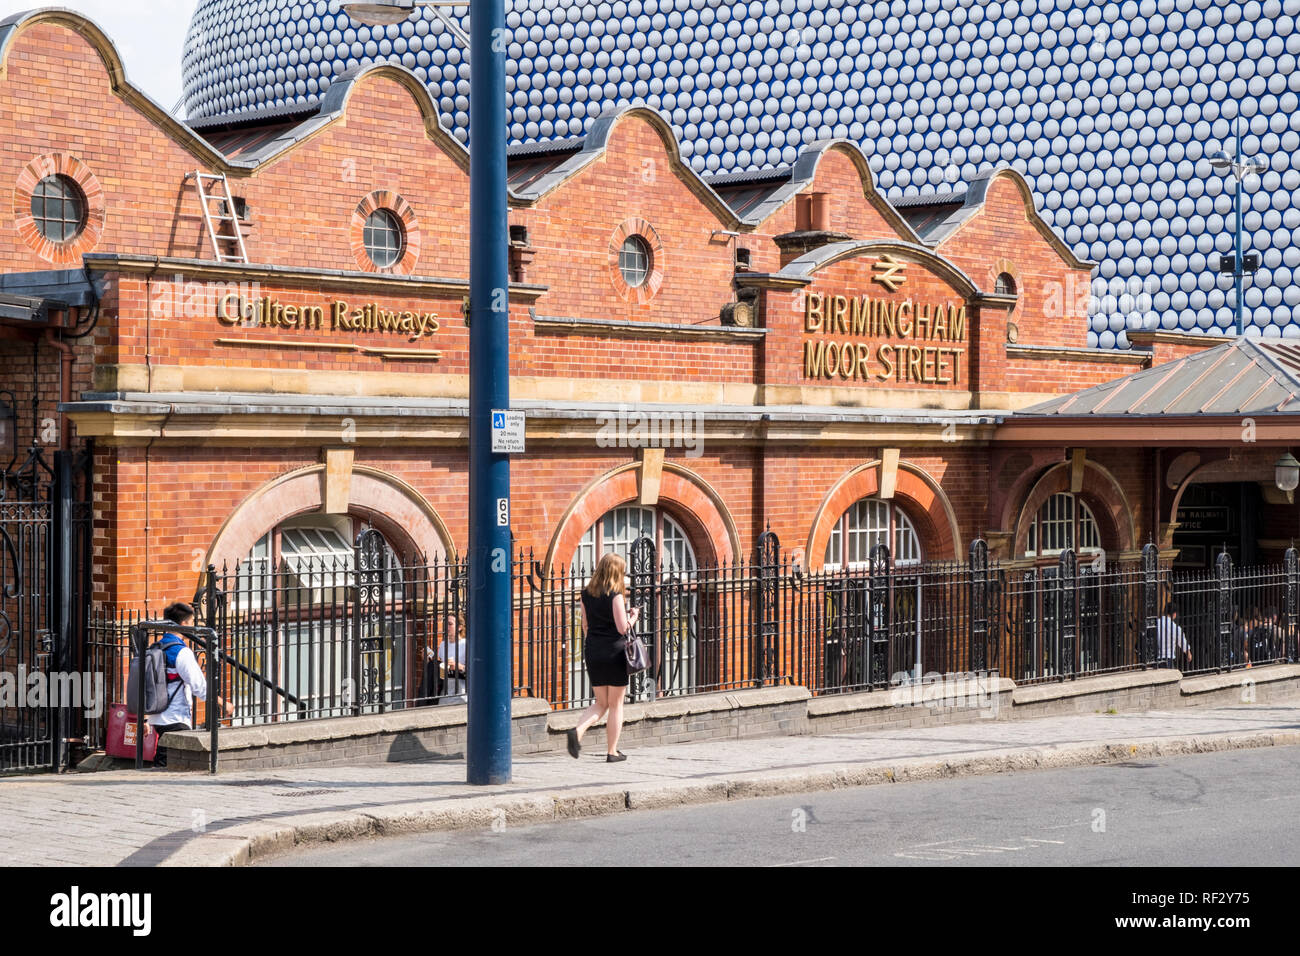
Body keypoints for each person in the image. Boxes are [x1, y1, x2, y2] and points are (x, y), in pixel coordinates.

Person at [568, 553, 639, 763]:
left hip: (593, 651)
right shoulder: (615, 595)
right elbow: (622, 627)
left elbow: (585, 626)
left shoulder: (586, 594)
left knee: (600, 702)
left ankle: (578, 731)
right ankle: (612, 751)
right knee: (616, 704)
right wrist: (633, 616)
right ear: (616, 572)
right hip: (614, 652)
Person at [149, 601, 233, 767]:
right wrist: (223, 703)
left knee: (163, 758)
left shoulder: (155, 647)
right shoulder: (181, 652)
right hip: (175, 716)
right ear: (184, 624)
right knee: (169, 763)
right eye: (192, 622)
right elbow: (199, 687)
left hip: (156, 715)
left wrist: (144, 719)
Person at [1155, 601, 1191, 669]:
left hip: (1154, 659)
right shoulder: (1175, 628)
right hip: (1168, 659)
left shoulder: (1156, 623)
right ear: (1174, 614)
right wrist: (1188, 653)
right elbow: (1182, 642)